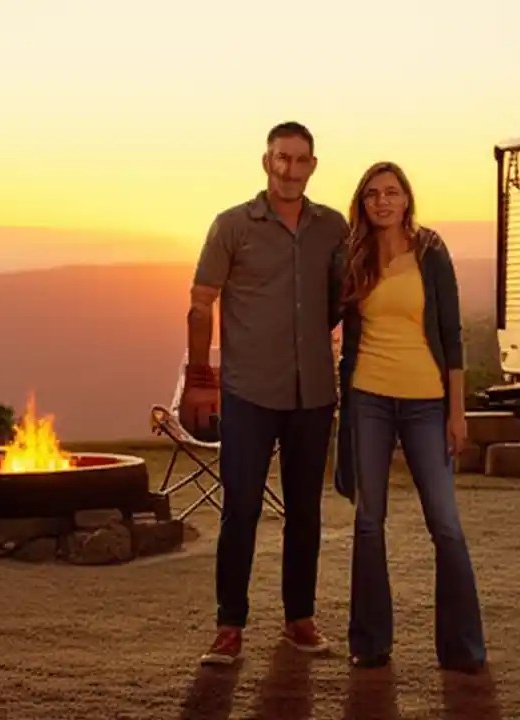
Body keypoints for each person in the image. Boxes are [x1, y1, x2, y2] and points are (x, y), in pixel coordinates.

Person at [183, 120, 349, 666]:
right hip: (248, 392)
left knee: (306, 512)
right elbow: (201, 302)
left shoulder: (333, 228)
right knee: (242, 511)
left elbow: (341, 303)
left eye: (301, 160)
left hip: (314, 394)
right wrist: (200, 381)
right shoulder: (232, 225)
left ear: (313, 166)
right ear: (266, 161)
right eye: (282, 158)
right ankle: (229, 627)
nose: (290, 169)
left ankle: (299, 619)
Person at [333, 160, 487, 674]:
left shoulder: (431, 250)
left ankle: (463, 648)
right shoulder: (353, 255)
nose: (383, 201)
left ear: (406, 199)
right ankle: (370, 643)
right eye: (373, 193)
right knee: (368, 521)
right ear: (363, 201)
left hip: (426, 401)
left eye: (392, 192)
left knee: (445, 523)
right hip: (368, 398)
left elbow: (453, 335)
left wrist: (456, 412)